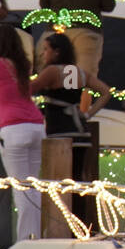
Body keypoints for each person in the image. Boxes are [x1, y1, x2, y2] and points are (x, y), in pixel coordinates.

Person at [0, 25, 46, 242]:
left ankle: (24, 242)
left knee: (20, 187)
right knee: (34, 186)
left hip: (13, 129)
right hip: (36, 126)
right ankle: (36, 239)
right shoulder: (23, 65)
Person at [31, 32, 114, 222]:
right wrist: (87, 114)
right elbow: (105, 93)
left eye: (46, 49)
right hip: (80, 134)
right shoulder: (79, 72)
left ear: (57, 52)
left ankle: (63, 224)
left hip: (59, 135)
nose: (43, 54)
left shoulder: (52, 72)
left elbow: (28, 89)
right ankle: (82, 223)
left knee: (59, 183)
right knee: (77, 181)